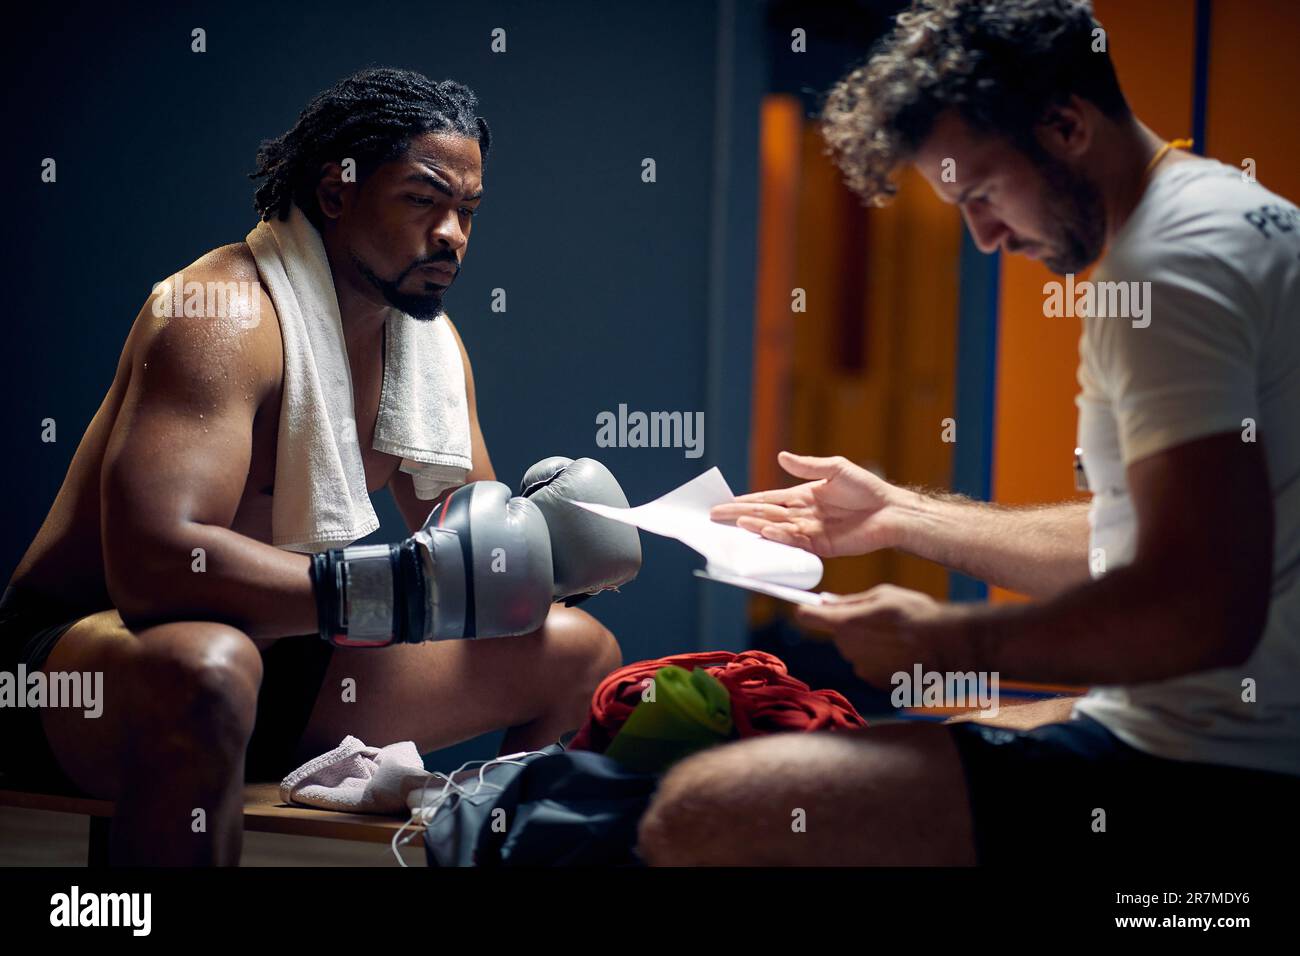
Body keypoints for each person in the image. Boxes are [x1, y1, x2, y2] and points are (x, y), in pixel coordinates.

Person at [638, 0, 1300, 865]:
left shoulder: (1169, 276)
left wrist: (951, 641)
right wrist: (900, 516)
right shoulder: (1238, 217)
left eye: (982, 193)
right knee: (964, 725)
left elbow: (1202, 610)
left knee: (702, 808)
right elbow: (1149, 544)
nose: (984, 237)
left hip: (1219, 759)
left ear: (1065, 124)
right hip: (1231, 723)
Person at [0, 68, 638, 865]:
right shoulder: (221, 315)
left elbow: (479, 558)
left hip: (285, 663)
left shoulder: (426, 346)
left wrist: (553, 559)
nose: (452, 234)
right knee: (209, 661)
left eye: (467, 211)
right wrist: (393, 591)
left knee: (580, 651)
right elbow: (154, 567)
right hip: (89, 669)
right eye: (423, 200)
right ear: (336, 193)